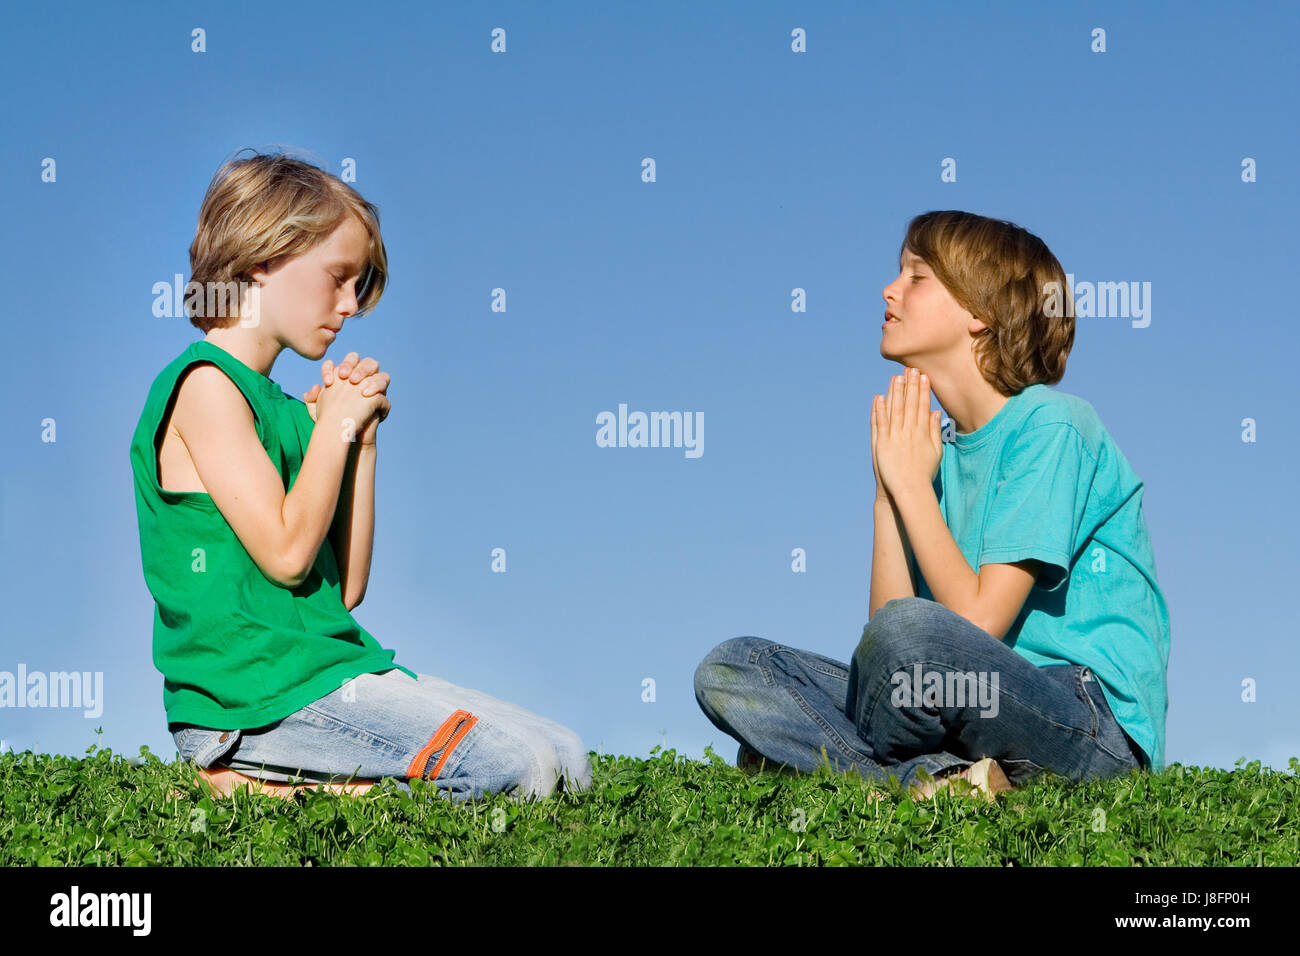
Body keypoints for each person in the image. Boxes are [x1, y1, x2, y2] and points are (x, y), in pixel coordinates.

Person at [130, 149, 591, 802]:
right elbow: (289, 556)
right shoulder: (206, 387)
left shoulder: (289, 412)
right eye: (338, 276)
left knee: (565, 757)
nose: (350, 304)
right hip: (252, 699)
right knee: (509, 770)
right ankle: (243, 788)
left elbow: (341, 591)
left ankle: (278, 788)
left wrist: (358, 443)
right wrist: (335, 431)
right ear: (264, 258)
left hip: (329, 673)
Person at [694, 210, 1168, 799]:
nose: (889, 290)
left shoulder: (1053, 424)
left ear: (980, 312)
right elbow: (880, 665)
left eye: (917, 277)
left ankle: (821, 761)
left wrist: (913, 486)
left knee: (907, 637)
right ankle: (945, 783)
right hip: (956, 706)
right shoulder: (932, 458)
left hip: (1083, 722)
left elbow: (971, 626)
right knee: (735, 667)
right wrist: (889, 492)